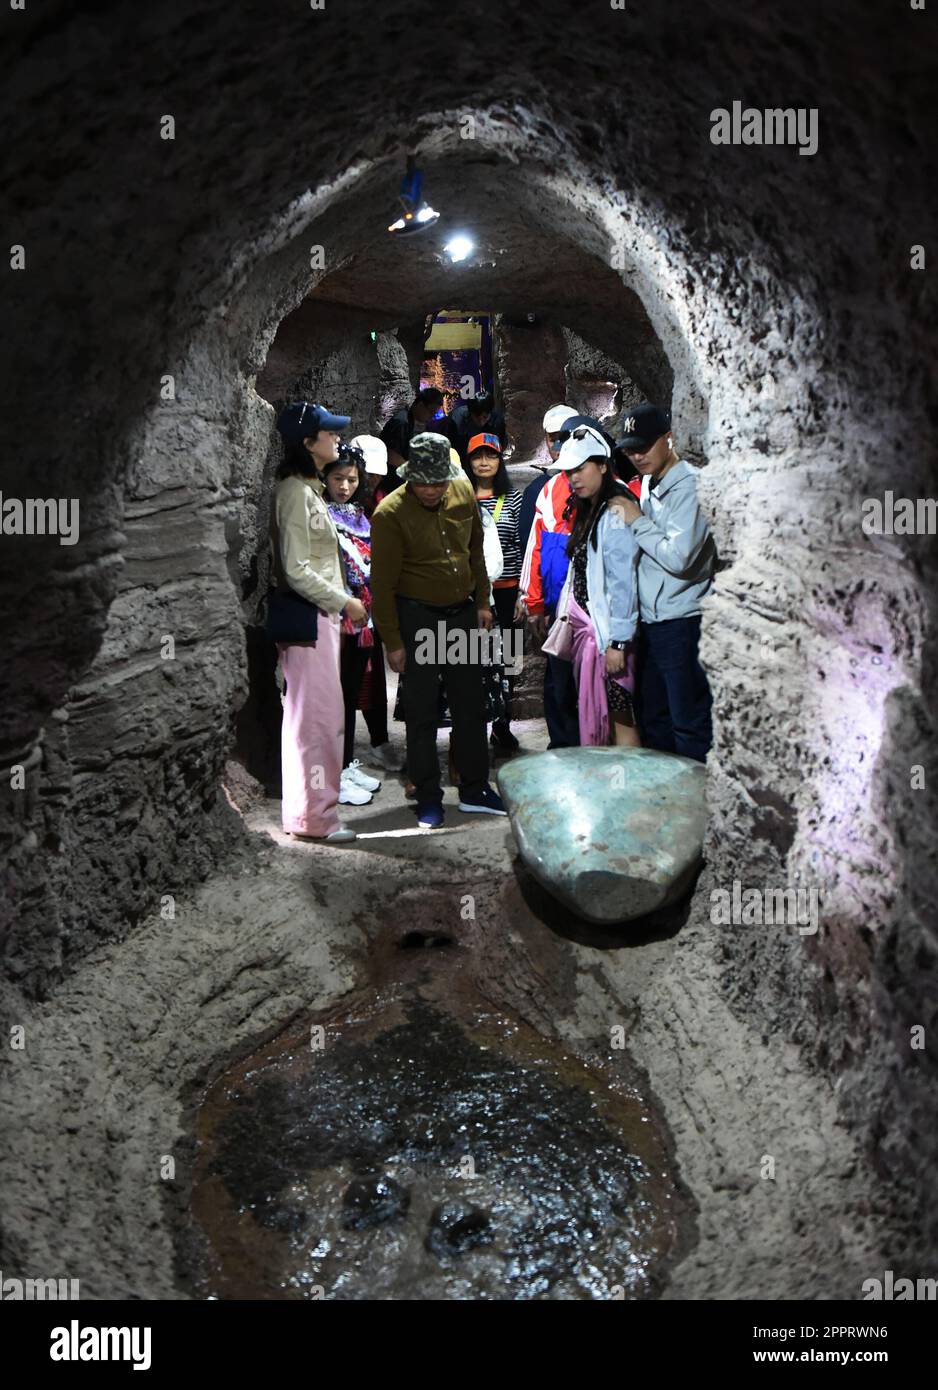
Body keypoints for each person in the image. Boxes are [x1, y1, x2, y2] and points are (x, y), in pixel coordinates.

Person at [370, 432, 508, 828]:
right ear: (409, 476)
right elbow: (382, 586)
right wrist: (393, 642)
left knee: (471, 703)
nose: (431, 489)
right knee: (422, 709)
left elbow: (475, 553)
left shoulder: (464, 493)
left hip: (462, 612)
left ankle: (475, 787)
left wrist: (482, 601)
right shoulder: (390, 515)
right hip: (418, 618)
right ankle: (428, 795)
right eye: (423, 482)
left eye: (438, 481)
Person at [269, 402, 366, 844]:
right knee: (317, 722)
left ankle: (309, 815)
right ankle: (315, 819)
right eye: (327, 433)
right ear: (308, 444)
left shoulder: (306, 490)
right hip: (309, 618)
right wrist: (345, 601)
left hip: (317, 617)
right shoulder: (294, 492)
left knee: (315, 720)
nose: (335, 439)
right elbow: (295, 567)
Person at [613, 403, 715, 762]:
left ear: (668, 439)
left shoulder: (689, 485)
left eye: (643, 446)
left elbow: (680, 558)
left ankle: (698, 810)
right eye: (629, 448)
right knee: (655, 719)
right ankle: (667, 804)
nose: (636, 455)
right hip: (653, 622)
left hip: (682, 621)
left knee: (688, 722)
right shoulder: (651, 481)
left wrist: (637, 521)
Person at [552, 425, 640, 746]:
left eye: (580, 468)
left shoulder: (615, 510)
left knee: (621, 719)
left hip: (612, 639)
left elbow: (623, 584)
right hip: (599, 637)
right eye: (569, 472)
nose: (573, 478)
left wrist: (618, 642)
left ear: (603, 464)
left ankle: (631, 791)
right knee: (613, 718)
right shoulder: (593, 507)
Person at [321, 442, 402, 793]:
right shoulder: (320, 514)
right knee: (335, 696)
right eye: (338, 478)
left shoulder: (358, 516)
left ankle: (345, 764)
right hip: (334, 620)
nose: (345, 486)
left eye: (352, 480)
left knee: (353, 691)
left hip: (362, 620)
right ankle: (332, 770)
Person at [465, 430, 524, 752]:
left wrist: (521, 593)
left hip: (506, 590)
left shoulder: (512, 498)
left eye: (490, 456)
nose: (484, 462)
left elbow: (519, 546)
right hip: (473, 595)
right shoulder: (460, 498)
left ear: (500, 460)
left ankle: (503, 725)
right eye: (477, 456)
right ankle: (477, 724)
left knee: (509, 660)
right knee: (476, 658)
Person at [379, 387, 446, 493]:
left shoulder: (413, 421)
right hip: (390, 482)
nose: (432, 417)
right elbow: (390, 455)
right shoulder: (402, 422)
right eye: (431, 412)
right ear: (420, 405)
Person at [445, 390, 508, 465]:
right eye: (477, 417)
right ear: (470, 413)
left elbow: (500, 445)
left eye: (485, 417)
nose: (481, 422)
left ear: (490, 413)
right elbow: (450, 447)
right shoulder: (456, 419)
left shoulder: (497, 421)